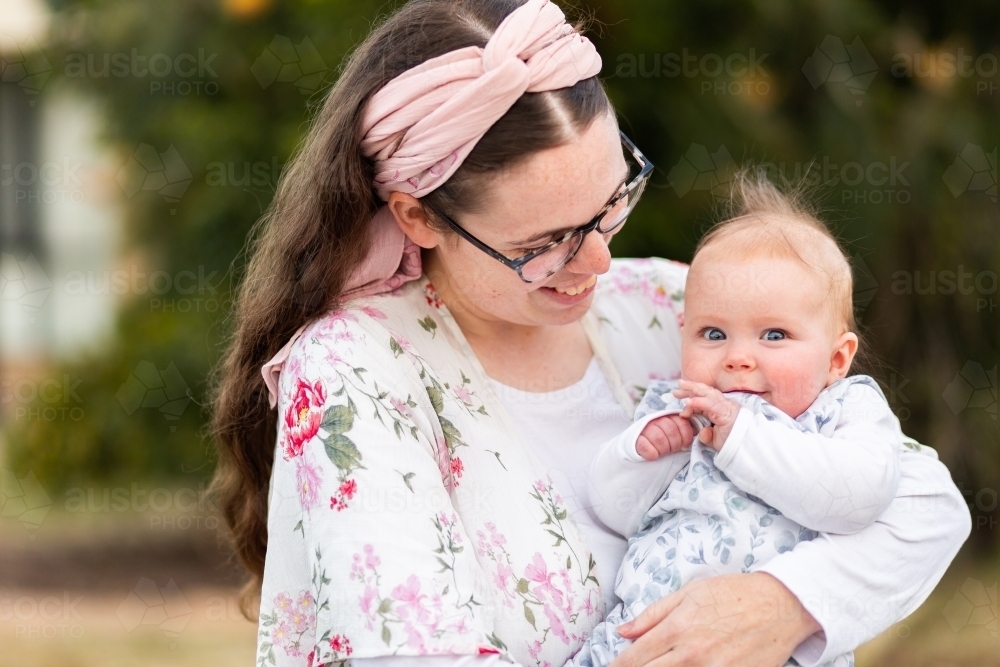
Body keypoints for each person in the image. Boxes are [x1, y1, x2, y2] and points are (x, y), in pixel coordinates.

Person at [209, 1, 971, 666]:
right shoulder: (357, 374)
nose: (600, 259)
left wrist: (784, 605)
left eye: (612, 201)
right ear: (418, 217)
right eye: (547, 240)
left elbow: (927, 504)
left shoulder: (671, 309)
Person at [574, 176, 939, 667]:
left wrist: (740, 437)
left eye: (773, 334)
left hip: (775, 651)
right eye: (713, 332)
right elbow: (615, 510)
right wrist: (641, 451)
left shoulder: (845, 409)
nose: (737, 357)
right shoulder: (681, 407)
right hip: (646, 638)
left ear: (836, 358)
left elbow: (860, 497)